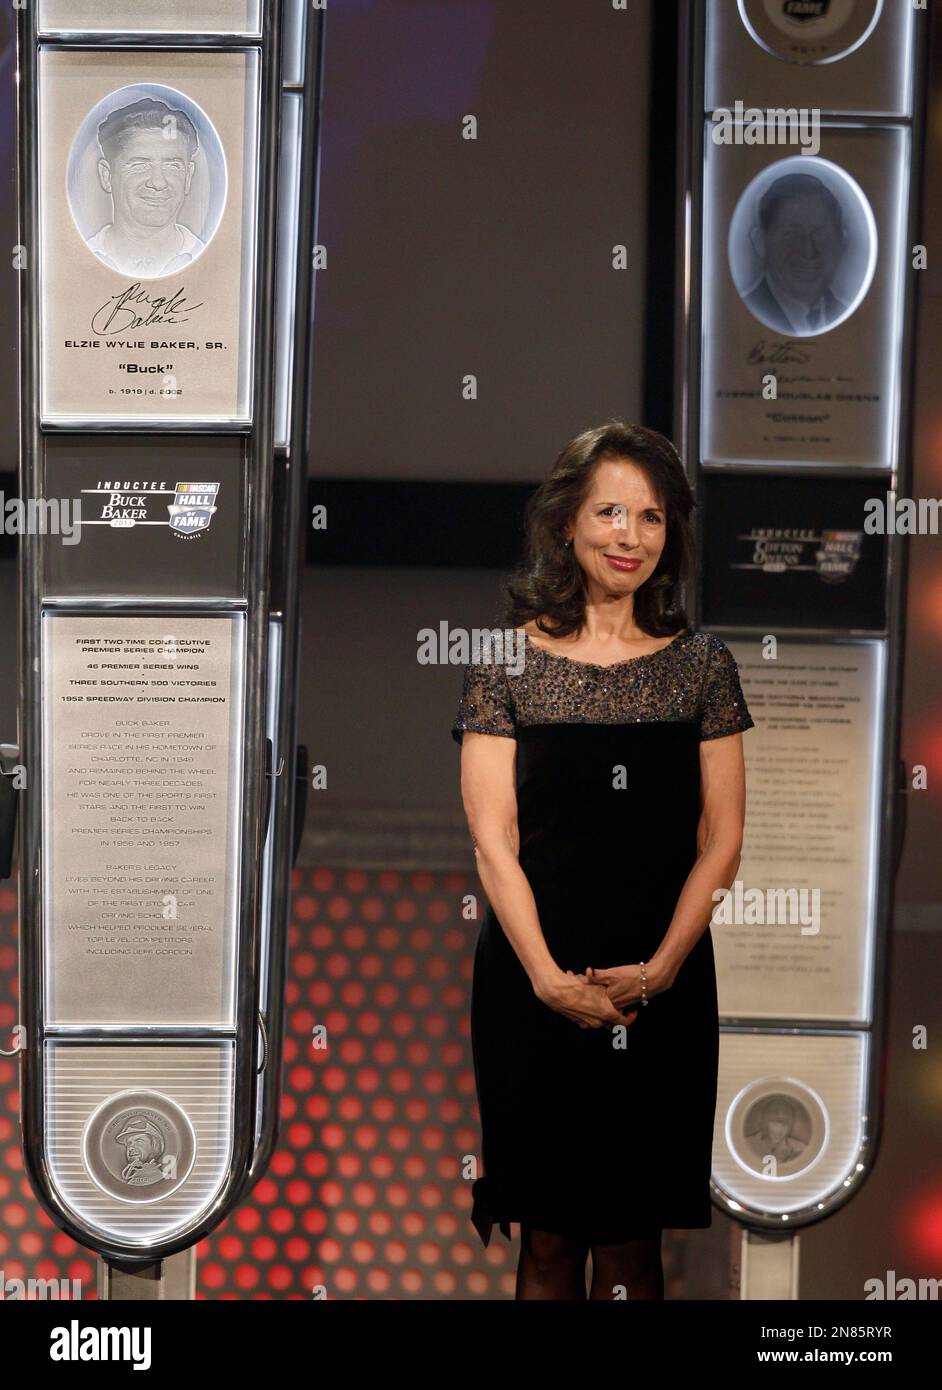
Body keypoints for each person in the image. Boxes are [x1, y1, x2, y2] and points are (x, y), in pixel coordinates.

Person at [452, 421, 754, 1300]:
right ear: (566, 526)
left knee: (632, 1247)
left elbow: (722, 841)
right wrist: (548, 978)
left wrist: (656, 975)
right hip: (531, 988)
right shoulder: (503, 666)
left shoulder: (702, 667)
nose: (631, 536)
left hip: (660, 989)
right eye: (611, 513)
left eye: (651, 518)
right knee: (545, 1240)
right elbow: (493, 842)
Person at [86, 97, 206, 278]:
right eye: (139, 165)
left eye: (172, 165)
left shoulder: (212, 259)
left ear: (188, 176)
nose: (158, 183)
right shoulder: (74, 259)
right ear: (106, 175)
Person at [743, 172, 848, 335]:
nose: (808, 251)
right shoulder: (734, 319)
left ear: (841, 242)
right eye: (792, 235)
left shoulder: (856, 321)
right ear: (760, 242)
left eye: (820, 234)